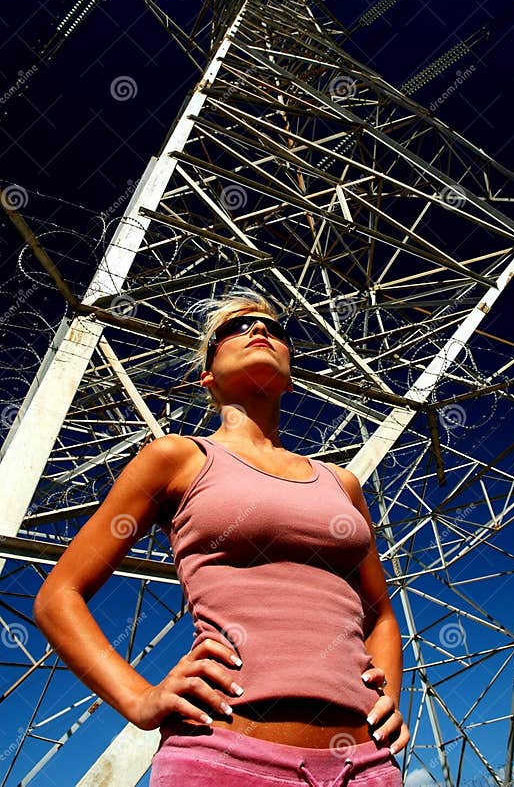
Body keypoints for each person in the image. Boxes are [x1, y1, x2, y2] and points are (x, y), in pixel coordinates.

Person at [33, 289, 409, 786]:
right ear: (207, 373)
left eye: (275, 330)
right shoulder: (177, 458)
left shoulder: (342, 484)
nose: (259, 331)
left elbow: (379, 612)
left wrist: (389, 699)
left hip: (367, 767)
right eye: (236, 328)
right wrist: (139, 699)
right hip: (224, 756)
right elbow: (58, 596)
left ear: (291, 372)